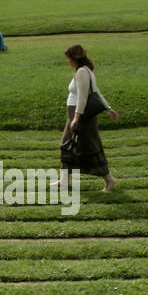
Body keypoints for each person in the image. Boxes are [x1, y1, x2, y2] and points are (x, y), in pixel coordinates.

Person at [59, 44, 119, 192]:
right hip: (74, 115)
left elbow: (83, 97)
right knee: (67, 144)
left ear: (75, 58)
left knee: (91, 146)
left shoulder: (82, 72)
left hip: (81, 116)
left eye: (68, 58)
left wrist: (76, 117)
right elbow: (97, 93)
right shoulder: (84, 71)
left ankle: (109, 180)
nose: (68, 61)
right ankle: (64, 180)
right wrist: (108, 108)